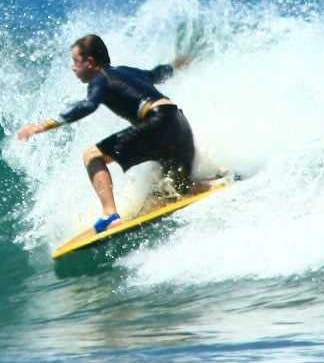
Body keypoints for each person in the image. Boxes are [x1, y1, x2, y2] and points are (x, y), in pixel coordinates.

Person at [16, 33, 198, 233]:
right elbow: (157, 74)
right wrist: (177, 64)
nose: (73, 67)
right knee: (169, 191)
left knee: (92, 155)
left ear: (90, 62)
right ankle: (207, 182)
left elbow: (88, 105)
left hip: (158, 124)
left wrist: (42, 126)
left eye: (76, 61)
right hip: (179, 123)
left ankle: (110, 214)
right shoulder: (127, 71)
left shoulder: (99, 79)